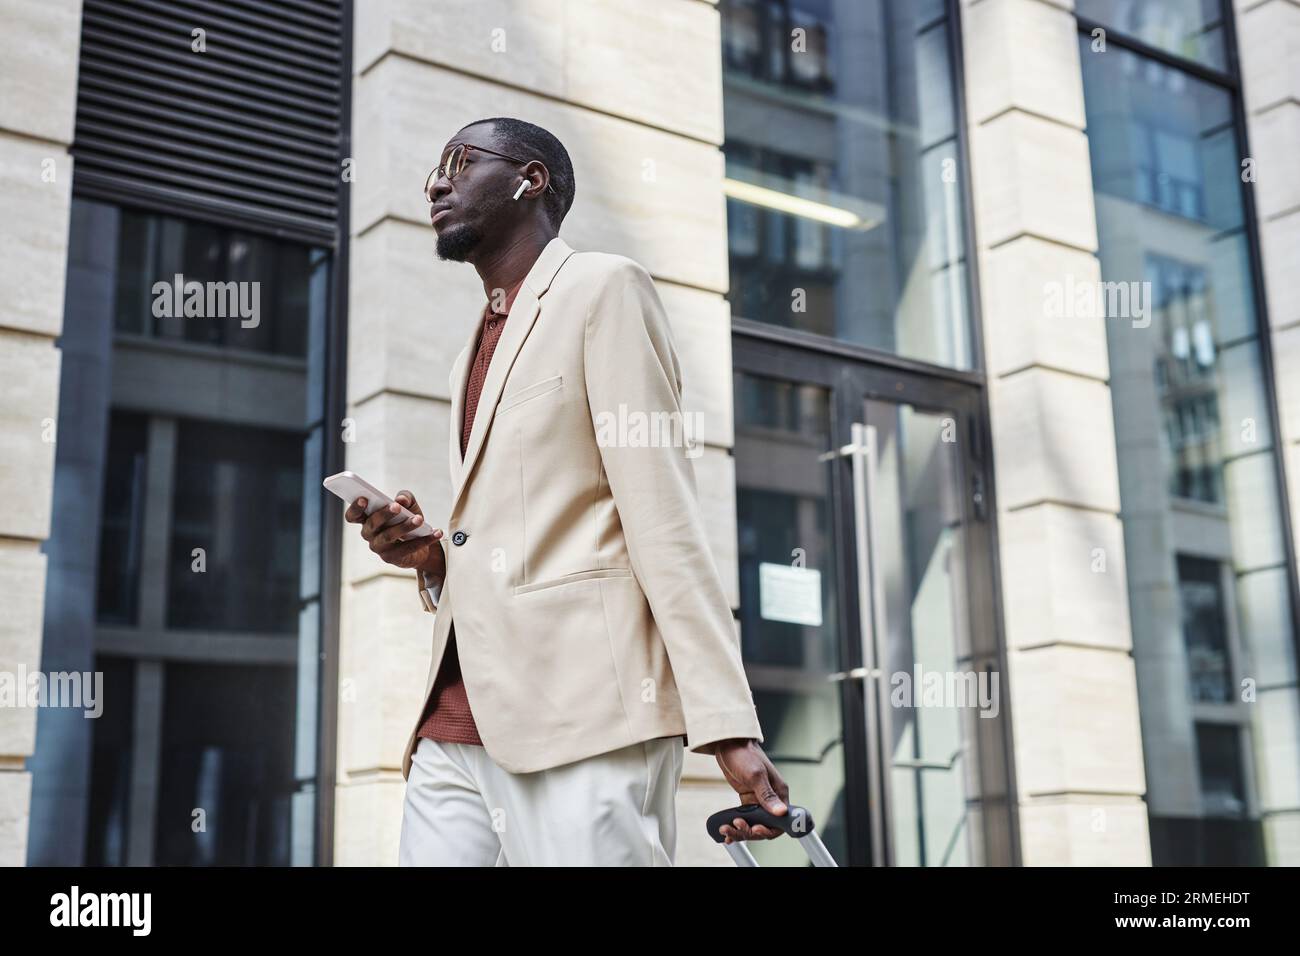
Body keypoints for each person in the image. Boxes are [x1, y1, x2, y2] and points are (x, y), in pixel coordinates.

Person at [346, 117, 789, 866]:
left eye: (459, 161)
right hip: (451, 725)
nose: (436, 183)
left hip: (582, 717)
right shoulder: (468, 354)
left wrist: (729, 725)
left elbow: (663, 516)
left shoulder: (603, 289)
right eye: (433, 170)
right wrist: (431, 559)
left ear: (531, 179)